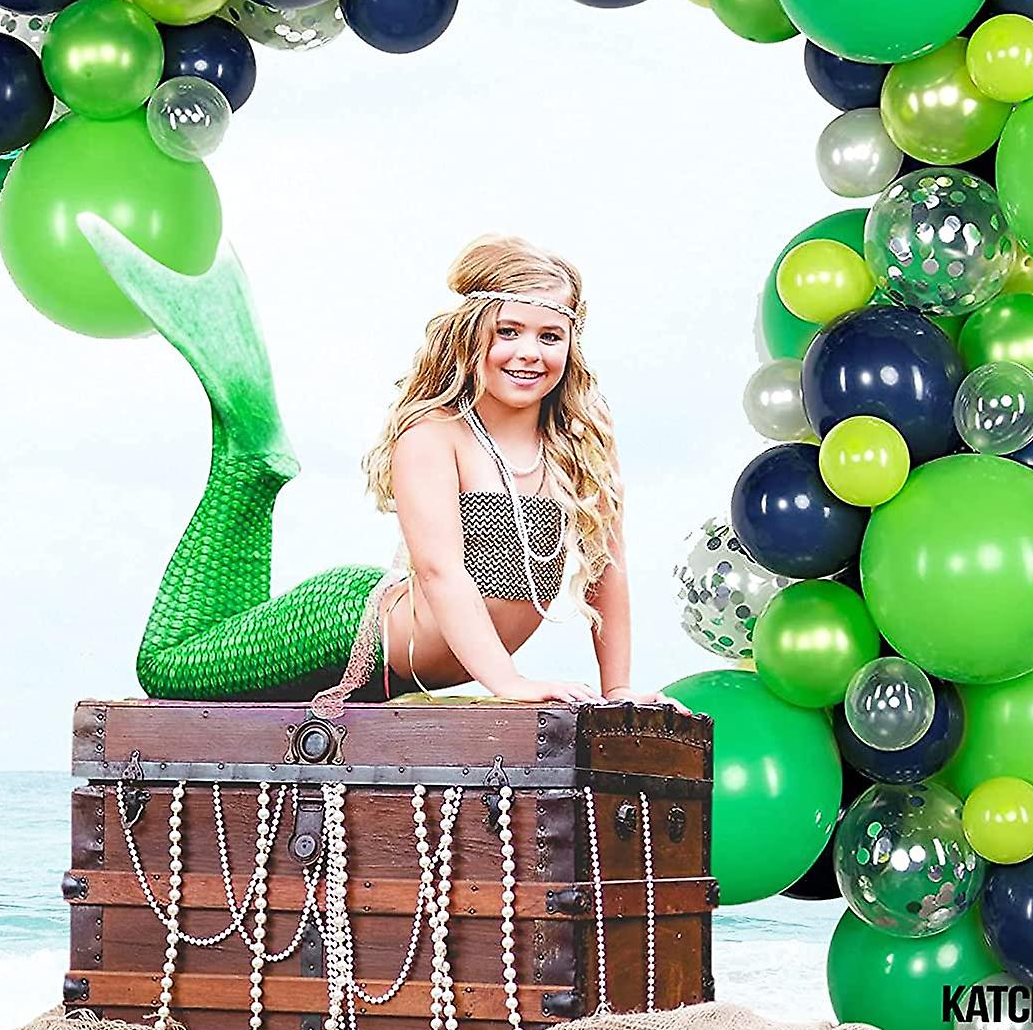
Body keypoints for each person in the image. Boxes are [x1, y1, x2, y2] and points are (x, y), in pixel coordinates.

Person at [79, 213, 686, 716]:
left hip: (394, 682)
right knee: (168, 665)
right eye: (509, 331)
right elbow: (441, 571)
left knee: (234, 687)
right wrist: (509, 682)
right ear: (472, 337)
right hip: (345, 627)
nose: (529, 352)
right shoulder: (435, 435)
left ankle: (253, 452)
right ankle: (249, 450)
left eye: (550, 336)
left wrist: (619, 692)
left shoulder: (580, 448)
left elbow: (611, 574)